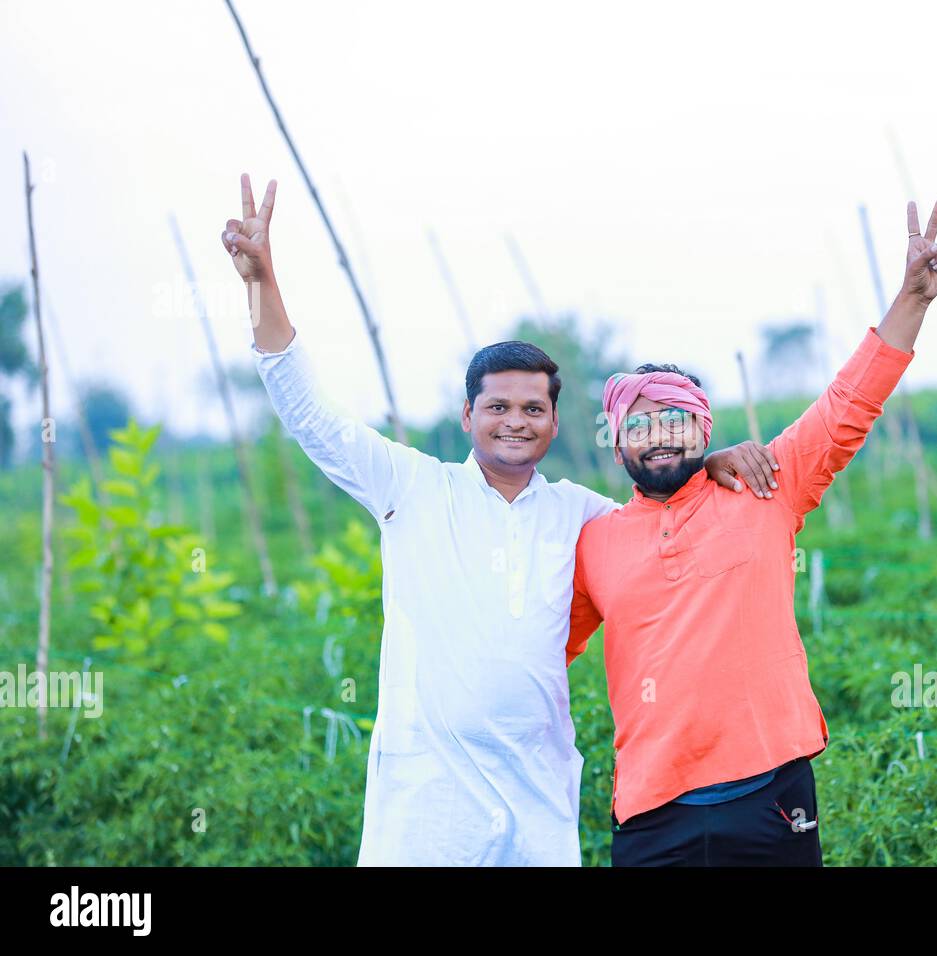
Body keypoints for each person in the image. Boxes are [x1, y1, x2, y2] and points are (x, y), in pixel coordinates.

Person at [220, 173, 778, 865]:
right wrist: (262, 283)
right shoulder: (412, 488)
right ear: (468, 416)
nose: (516, 422)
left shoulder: (581, 515)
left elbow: (660, 522)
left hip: (536, 803)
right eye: (499, 407)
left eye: (533, 409)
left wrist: (705, 456)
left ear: (552, 422)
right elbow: (311, 416)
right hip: (428, 803)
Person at [566, 199, 937, 866]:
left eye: (676, 421)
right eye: (640, 424)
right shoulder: (593, 541)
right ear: (615, 441)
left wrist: (912, 298)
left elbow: (846, 406)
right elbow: (532, 654)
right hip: (653, 818)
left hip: (772, 801)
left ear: (704, 429)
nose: (659, 436)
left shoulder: (763, 487)